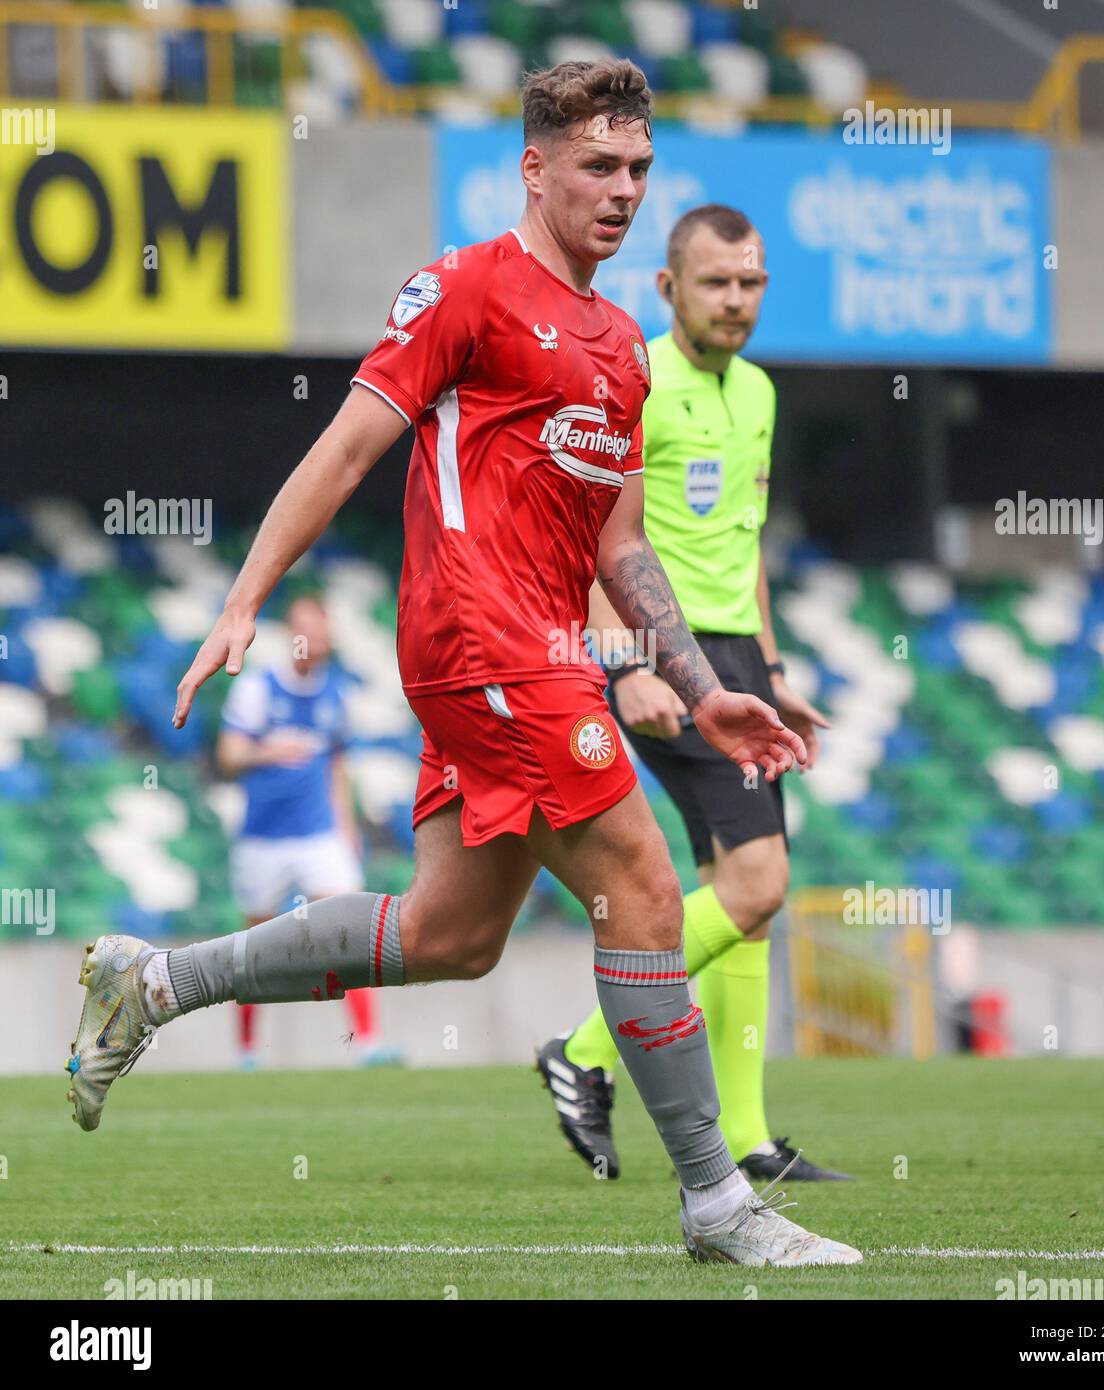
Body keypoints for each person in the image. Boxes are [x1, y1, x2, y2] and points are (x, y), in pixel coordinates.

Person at [64, 59, 860, 1268]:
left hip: (533, 652)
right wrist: (242, 602)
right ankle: (717, 1203)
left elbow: (624, 548)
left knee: (451, 934)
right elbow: (341, 452)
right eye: (597, 165)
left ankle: (154, 982)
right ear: (533, 167)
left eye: (638, 167)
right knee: (644, 887)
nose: (621, 188)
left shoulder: (622, 353)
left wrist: (706, 694)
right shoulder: (463, 291)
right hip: (483, 642)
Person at [537, 205, 852, 1184]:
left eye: (751, 282)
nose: (736, 300)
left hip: (740, 661)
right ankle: (584, 1049)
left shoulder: (755, 392)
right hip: (672, 656)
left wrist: (775, 667)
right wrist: (628, 663)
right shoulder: (635, 383)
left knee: (746, 897)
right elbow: (598, 539)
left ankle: (748, 1133)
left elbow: (744, 543)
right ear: (667, 287)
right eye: (715, 281)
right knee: (758, 881)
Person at [217, 593, 400, 1068]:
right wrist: (267, 751)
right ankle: (247, 1051)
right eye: (305, 632)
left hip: (319, 835)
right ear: (289, 636)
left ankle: (368, 1042)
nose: (313, 642)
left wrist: (347, 828)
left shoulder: (335, 693)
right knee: (255, 942)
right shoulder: (257, 690)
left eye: (320, 633)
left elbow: (337, 767)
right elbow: (228, 757)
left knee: (348, 927)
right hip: (263, 838)